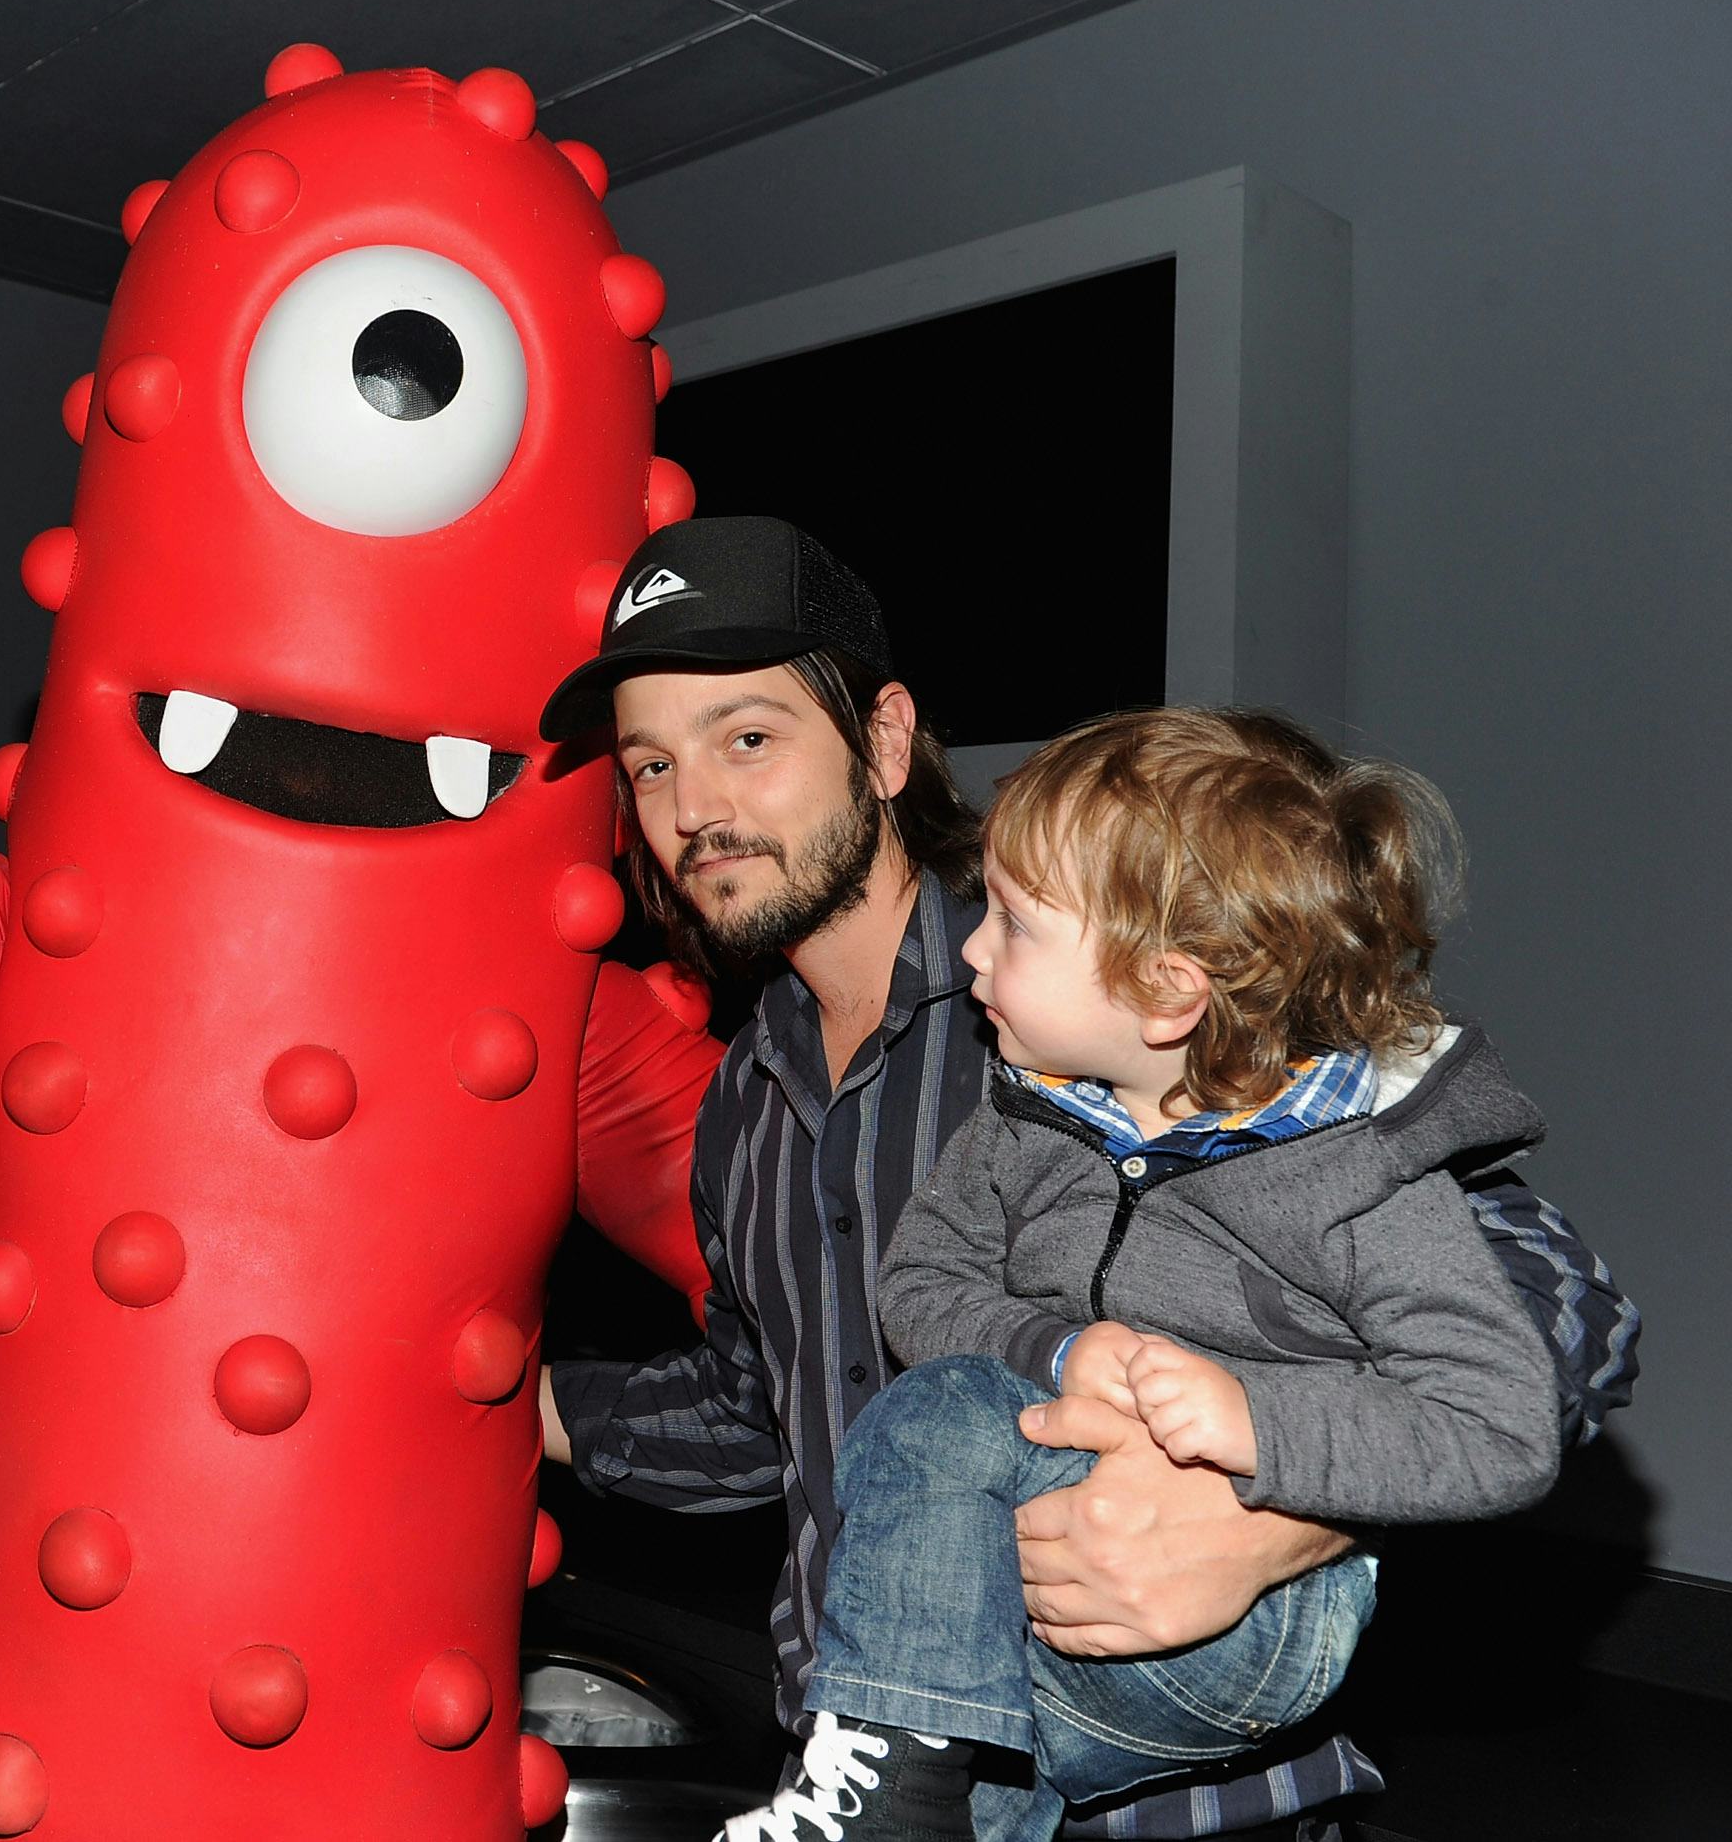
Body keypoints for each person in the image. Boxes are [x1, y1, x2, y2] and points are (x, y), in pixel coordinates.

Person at [532, 518, 1641, 1842]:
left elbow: (1555, 1305)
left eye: (747, 736)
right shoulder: (743, 1099)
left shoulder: (1101, 985)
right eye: (650, 763)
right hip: (877, 1795)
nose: (693, 805)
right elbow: (766, 1407)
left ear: (885, 741)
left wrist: (1279, 1518)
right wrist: (499, 1407)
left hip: (1191, 1804)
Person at [723, 706, 1560, 1842]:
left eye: (1016, 926)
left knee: (943, 1460)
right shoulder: (1031, 1119)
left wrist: (1253, 1420)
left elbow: (1500, 1425)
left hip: (1252, 1634)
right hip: (1041, 1602)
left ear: (1168, 993)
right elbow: (918, 1282)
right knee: (945, 1438)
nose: (974, 946)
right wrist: (1058, 1350)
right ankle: (904, 1781)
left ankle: (900, 1763)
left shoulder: (1357, 1173)